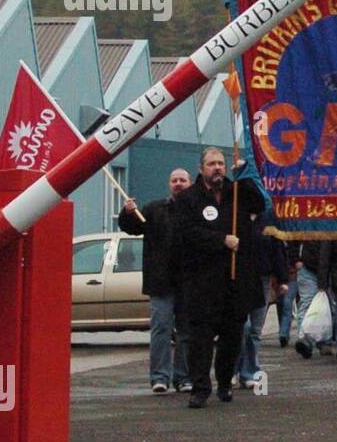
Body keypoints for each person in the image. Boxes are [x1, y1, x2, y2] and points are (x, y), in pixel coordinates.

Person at [175, 147, 266, 408]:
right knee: (200, 340)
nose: (217, 168)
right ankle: (200, 388)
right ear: (201, 168)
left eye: (221, 164)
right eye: (212, 164)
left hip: (234, 281)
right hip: (201, 283)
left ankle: (225, 383)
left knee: (231, 338)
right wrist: (220, 240)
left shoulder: (237, 192)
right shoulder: (188, 198)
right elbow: (186, 232)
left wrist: (245, 176)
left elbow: (261, 205)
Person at [118, 168, 192, 394]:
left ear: (189, 183)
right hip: (160, 283)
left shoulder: (196, 210)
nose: (178, 183)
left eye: (182, 180)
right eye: (174, 180)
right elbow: (131, 228)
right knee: (161, 329)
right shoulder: (154, 209)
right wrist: (128, 213)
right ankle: (159, 378)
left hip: (188, 282)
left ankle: (184, 378)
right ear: (169, 184)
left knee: (187, 332)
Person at [236, 211, 290, 388]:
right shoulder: (234, 214)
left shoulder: (268, 220)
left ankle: (249, 371)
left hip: (262, 278)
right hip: (238, 278)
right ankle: (234, 369)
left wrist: (282, 279)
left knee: (255, 329)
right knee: (241, 326)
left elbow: (277, 248)